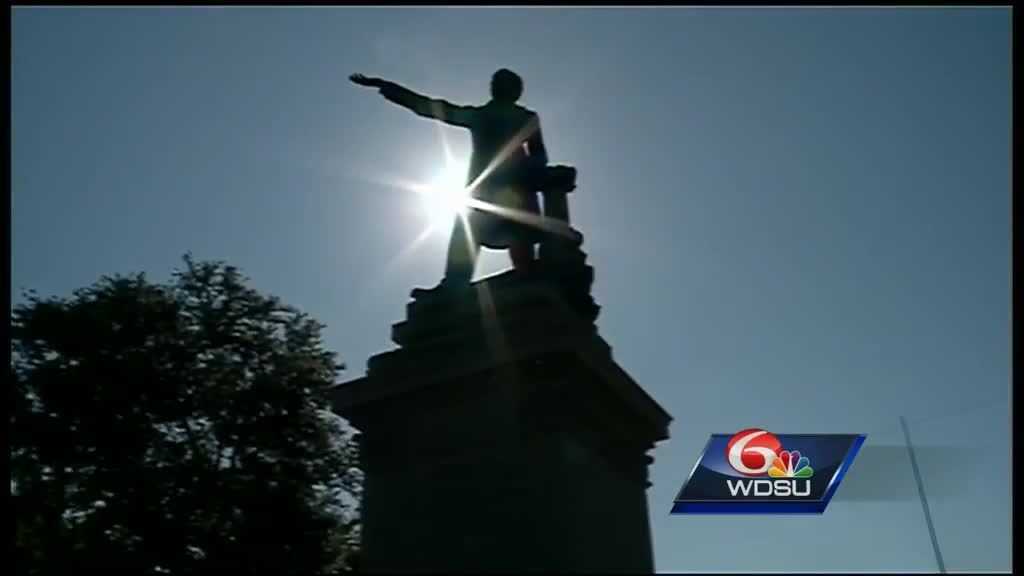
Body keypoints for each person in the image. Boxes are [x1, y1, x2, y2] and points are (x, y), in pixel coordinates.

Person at [350, 69, 549, 290]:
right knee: (467, 232)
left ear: (515, 91)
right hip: (484, 188)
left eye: (503, 84)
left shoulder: (524, 118)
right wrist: (387, 87)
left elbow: (539, 155)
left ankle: (524, 275)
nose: (497, 87)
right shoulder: (481, 115)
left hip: (515, 188)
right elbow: (431, 107)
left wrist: (529, 172)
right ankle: (453, 285)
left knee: (516, 236)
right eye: (496, 83)